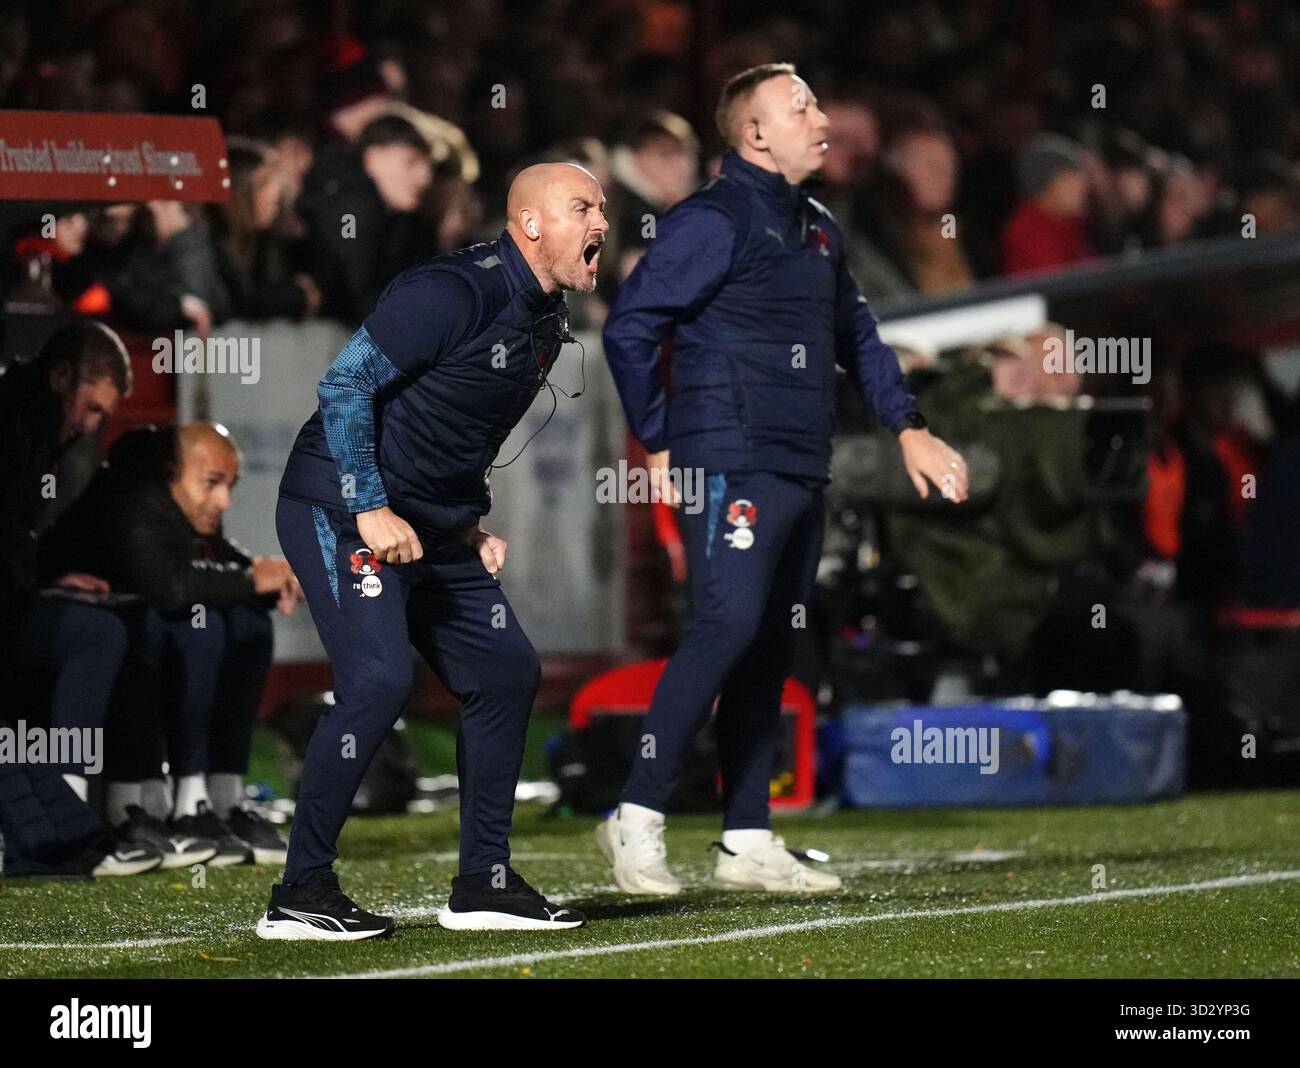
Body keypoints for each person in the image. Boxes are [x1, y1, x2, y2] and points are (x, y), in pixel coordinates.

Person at [597, 63, 969, 895]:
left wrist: (908, 427)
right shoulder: (709, 221)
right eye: (801, 107)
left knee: (771, 646)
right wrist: (659, 440)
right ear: (755, 133)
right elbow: (628, 329)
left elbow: (860, 337)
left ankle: (746, 839)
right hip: (728, 454)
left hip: (801, 459)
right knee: (726, 627)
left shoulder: (819, 225)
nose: (823, 118)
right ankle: (636, 813)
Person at [260, 161, 608, 939]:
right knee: (380, 679)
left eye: (603, 208)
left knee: (506, 669)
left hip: (427, 525)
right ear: (529, 225)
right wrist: (371, 505)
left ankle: (483, 885)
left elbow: (457, 430)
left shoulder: (545, 318)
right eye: (582, 207)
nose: (602, 224)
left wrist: (465, 523)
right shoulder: (449, 292)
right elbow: (344, 386)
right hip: (341, 506)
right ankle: (298, 892)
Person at [48, 422, 300, 866]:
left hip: (126, 623)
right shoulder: (134, 498)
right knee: (188, 627)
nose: (223, 501)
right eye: (211, 483)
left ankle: (218, 799)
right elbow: (169, 585)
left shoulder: (178, 507)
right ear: (170, 472)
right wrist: (249, 577)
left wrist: (258, 572)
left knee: (248, 621)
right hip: (57, 627)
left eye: (230, 486)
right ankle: (144, 805)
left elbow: (213, 562)